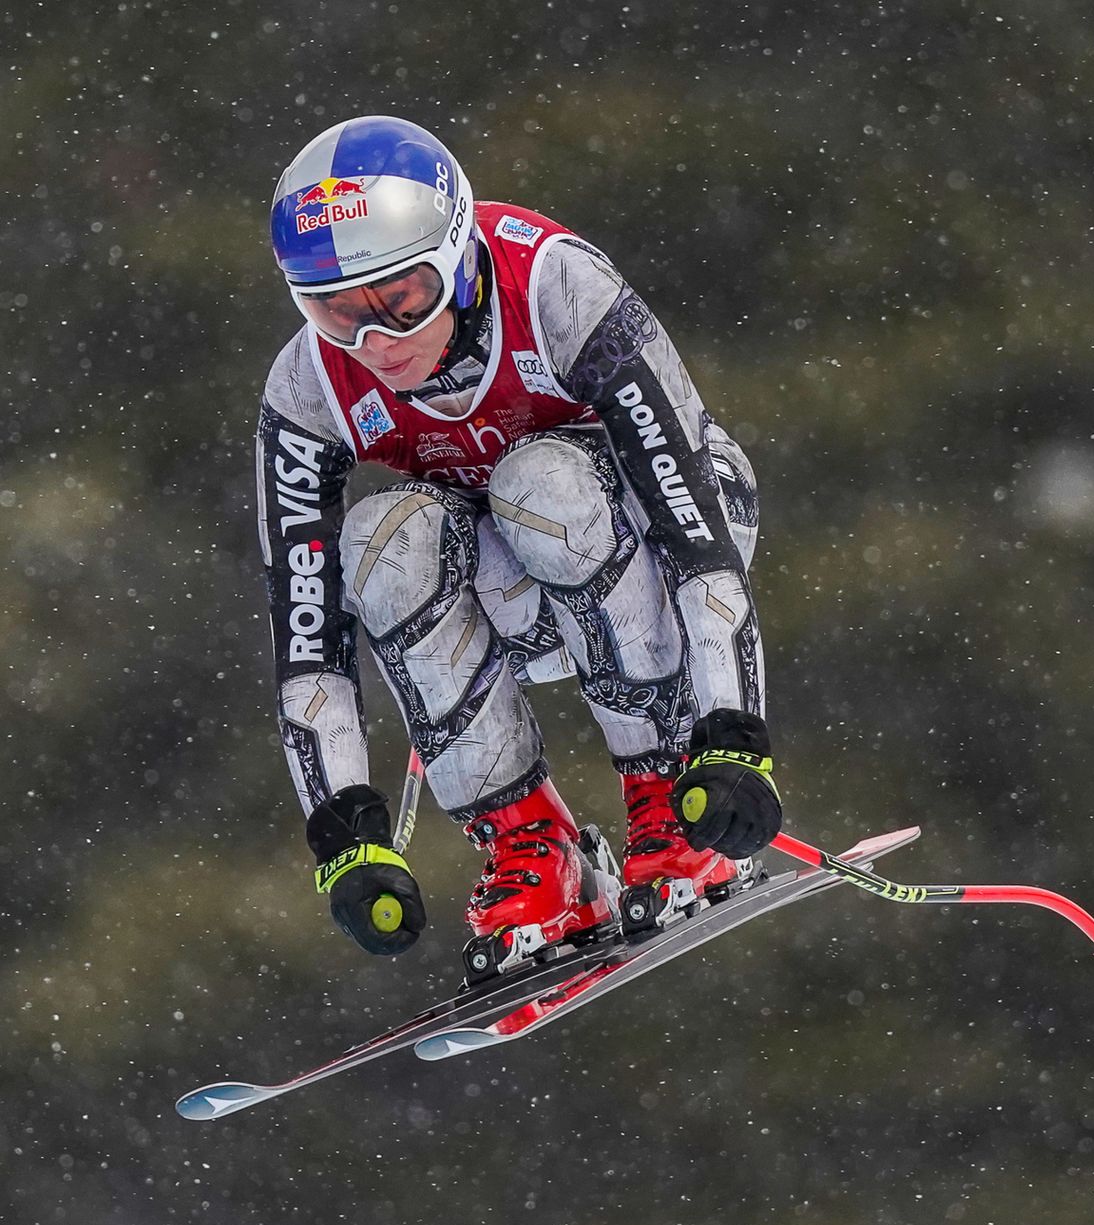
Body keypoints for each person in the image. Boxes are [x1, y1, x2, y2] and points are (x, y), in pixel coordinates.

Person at [256, 115, 782, 965]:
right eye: (336, 311)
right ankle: (532, 849)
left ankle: (662, 786)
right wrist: (343, 833)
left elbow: (695, 524)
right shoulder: (308, 385)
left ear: (459, 257)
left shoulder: (554, 287)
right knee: (382, 537)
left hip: (676, 522)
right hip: (519, 583)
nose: (376, 343)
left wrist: (734, 732)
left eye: (401, 300)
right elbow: (307, 634)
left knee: (540, 481)